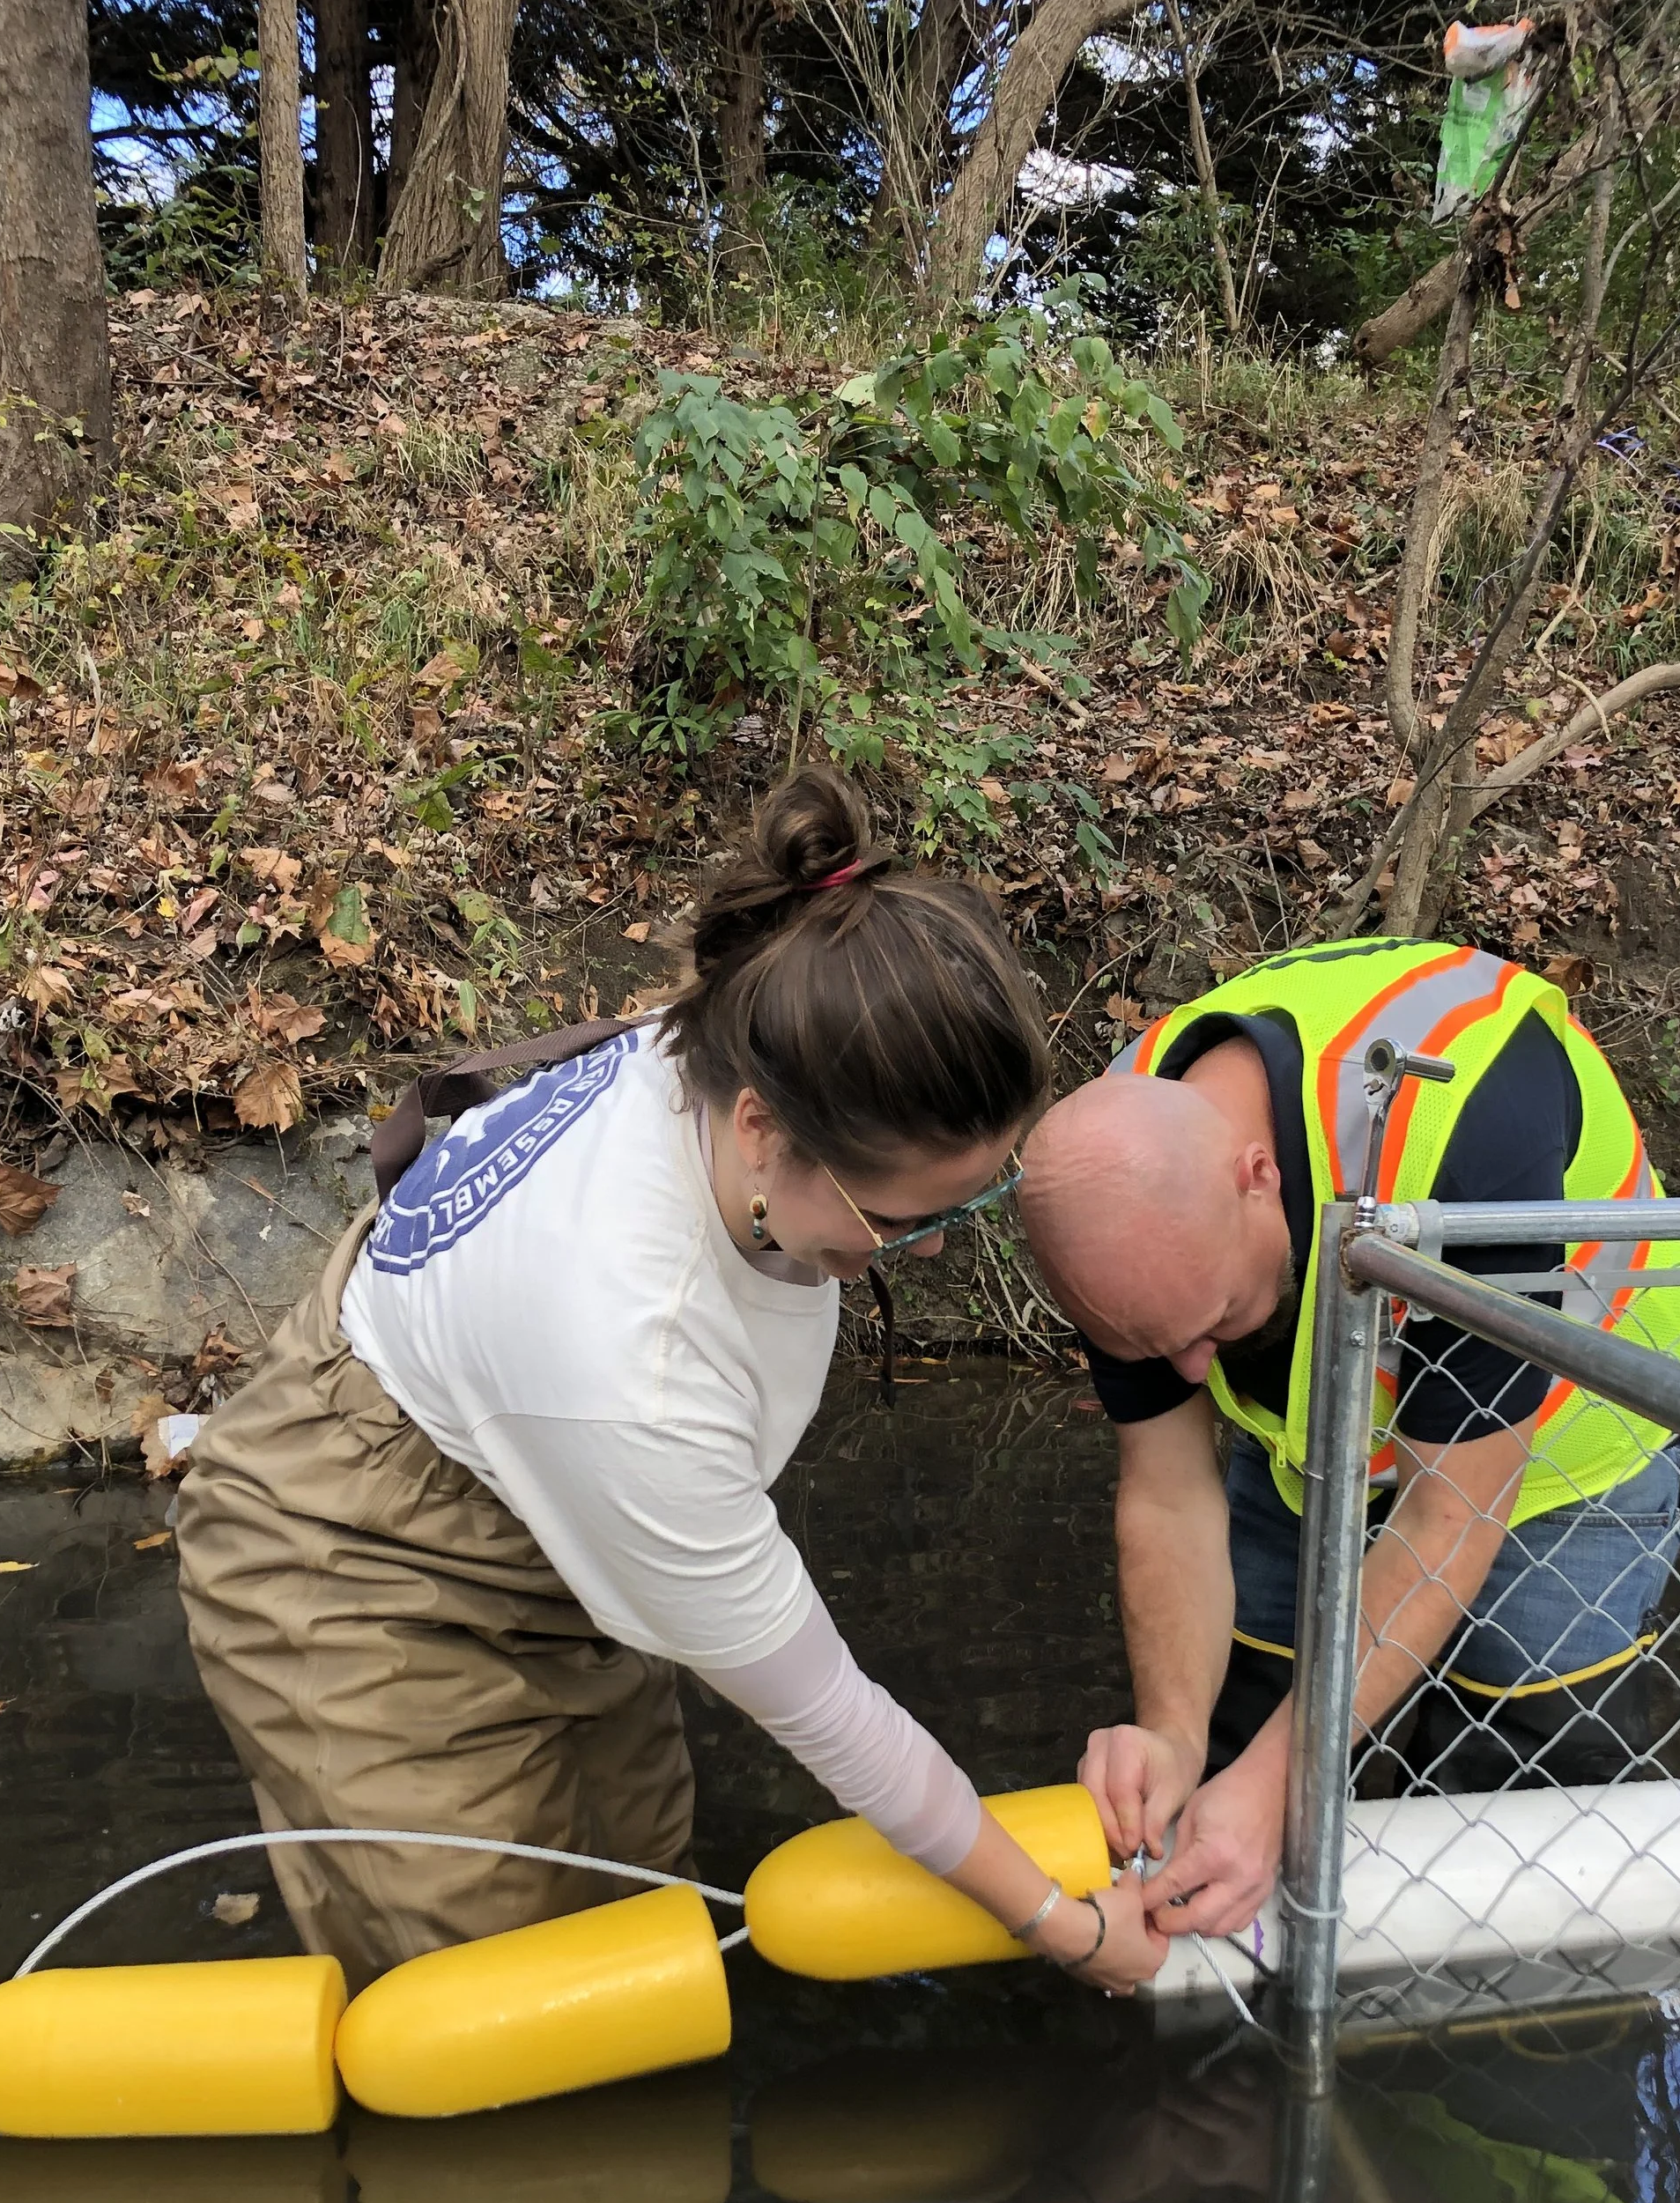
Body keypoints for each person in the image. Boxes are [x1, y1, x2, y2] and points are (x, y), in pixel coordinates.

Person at [174, 769, 1164, 1996]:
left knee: (638, 1925)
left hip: (528, 1475)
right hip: (351, 1550)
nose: (940, 1247)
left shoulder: (758, 1013)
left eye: (974, 1199)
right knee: (501, 2001)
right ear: (762, 1129)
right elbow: (837, 1723)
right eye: (904, 1218)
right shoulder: (632, 1363)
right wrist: (1067, 1927)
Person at [1018, 932, 1680, 1944]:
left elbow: (1447, 1515)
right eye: (1156, 1347)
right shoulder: (1102, 1194)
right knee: (1234, 1734)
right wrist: (1171, 1730)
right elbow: (1167, 1492)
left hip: (1565, 1451)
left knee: (1515, 1793)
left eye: (1214, 1321)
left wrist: (1280, 1787)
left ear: (1256, 1177)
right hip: (1317, 1450)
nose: (1196, 1373)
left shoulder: (1467, 1129)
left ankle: (1473, 2057)